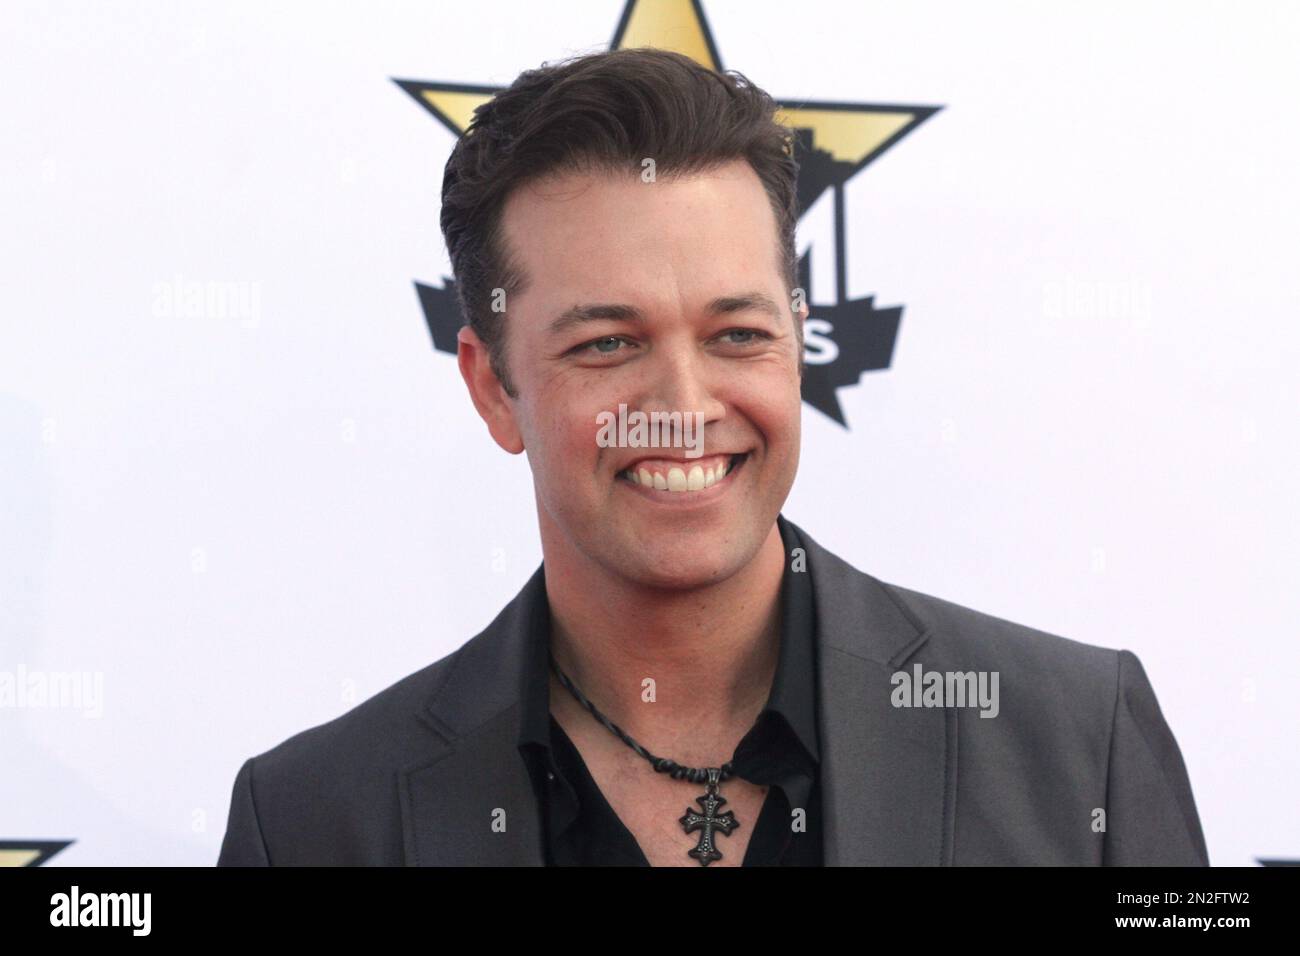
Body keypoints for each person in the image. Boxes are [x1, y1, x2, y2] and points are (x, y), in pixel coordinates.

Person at [217, 47, 1208, 866]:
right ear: (492, 386)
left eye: (736, 333)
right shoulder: (312, 822)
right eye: (606, 343)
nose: (683, 408)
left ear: (797, 341)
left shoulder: (1080, 748)